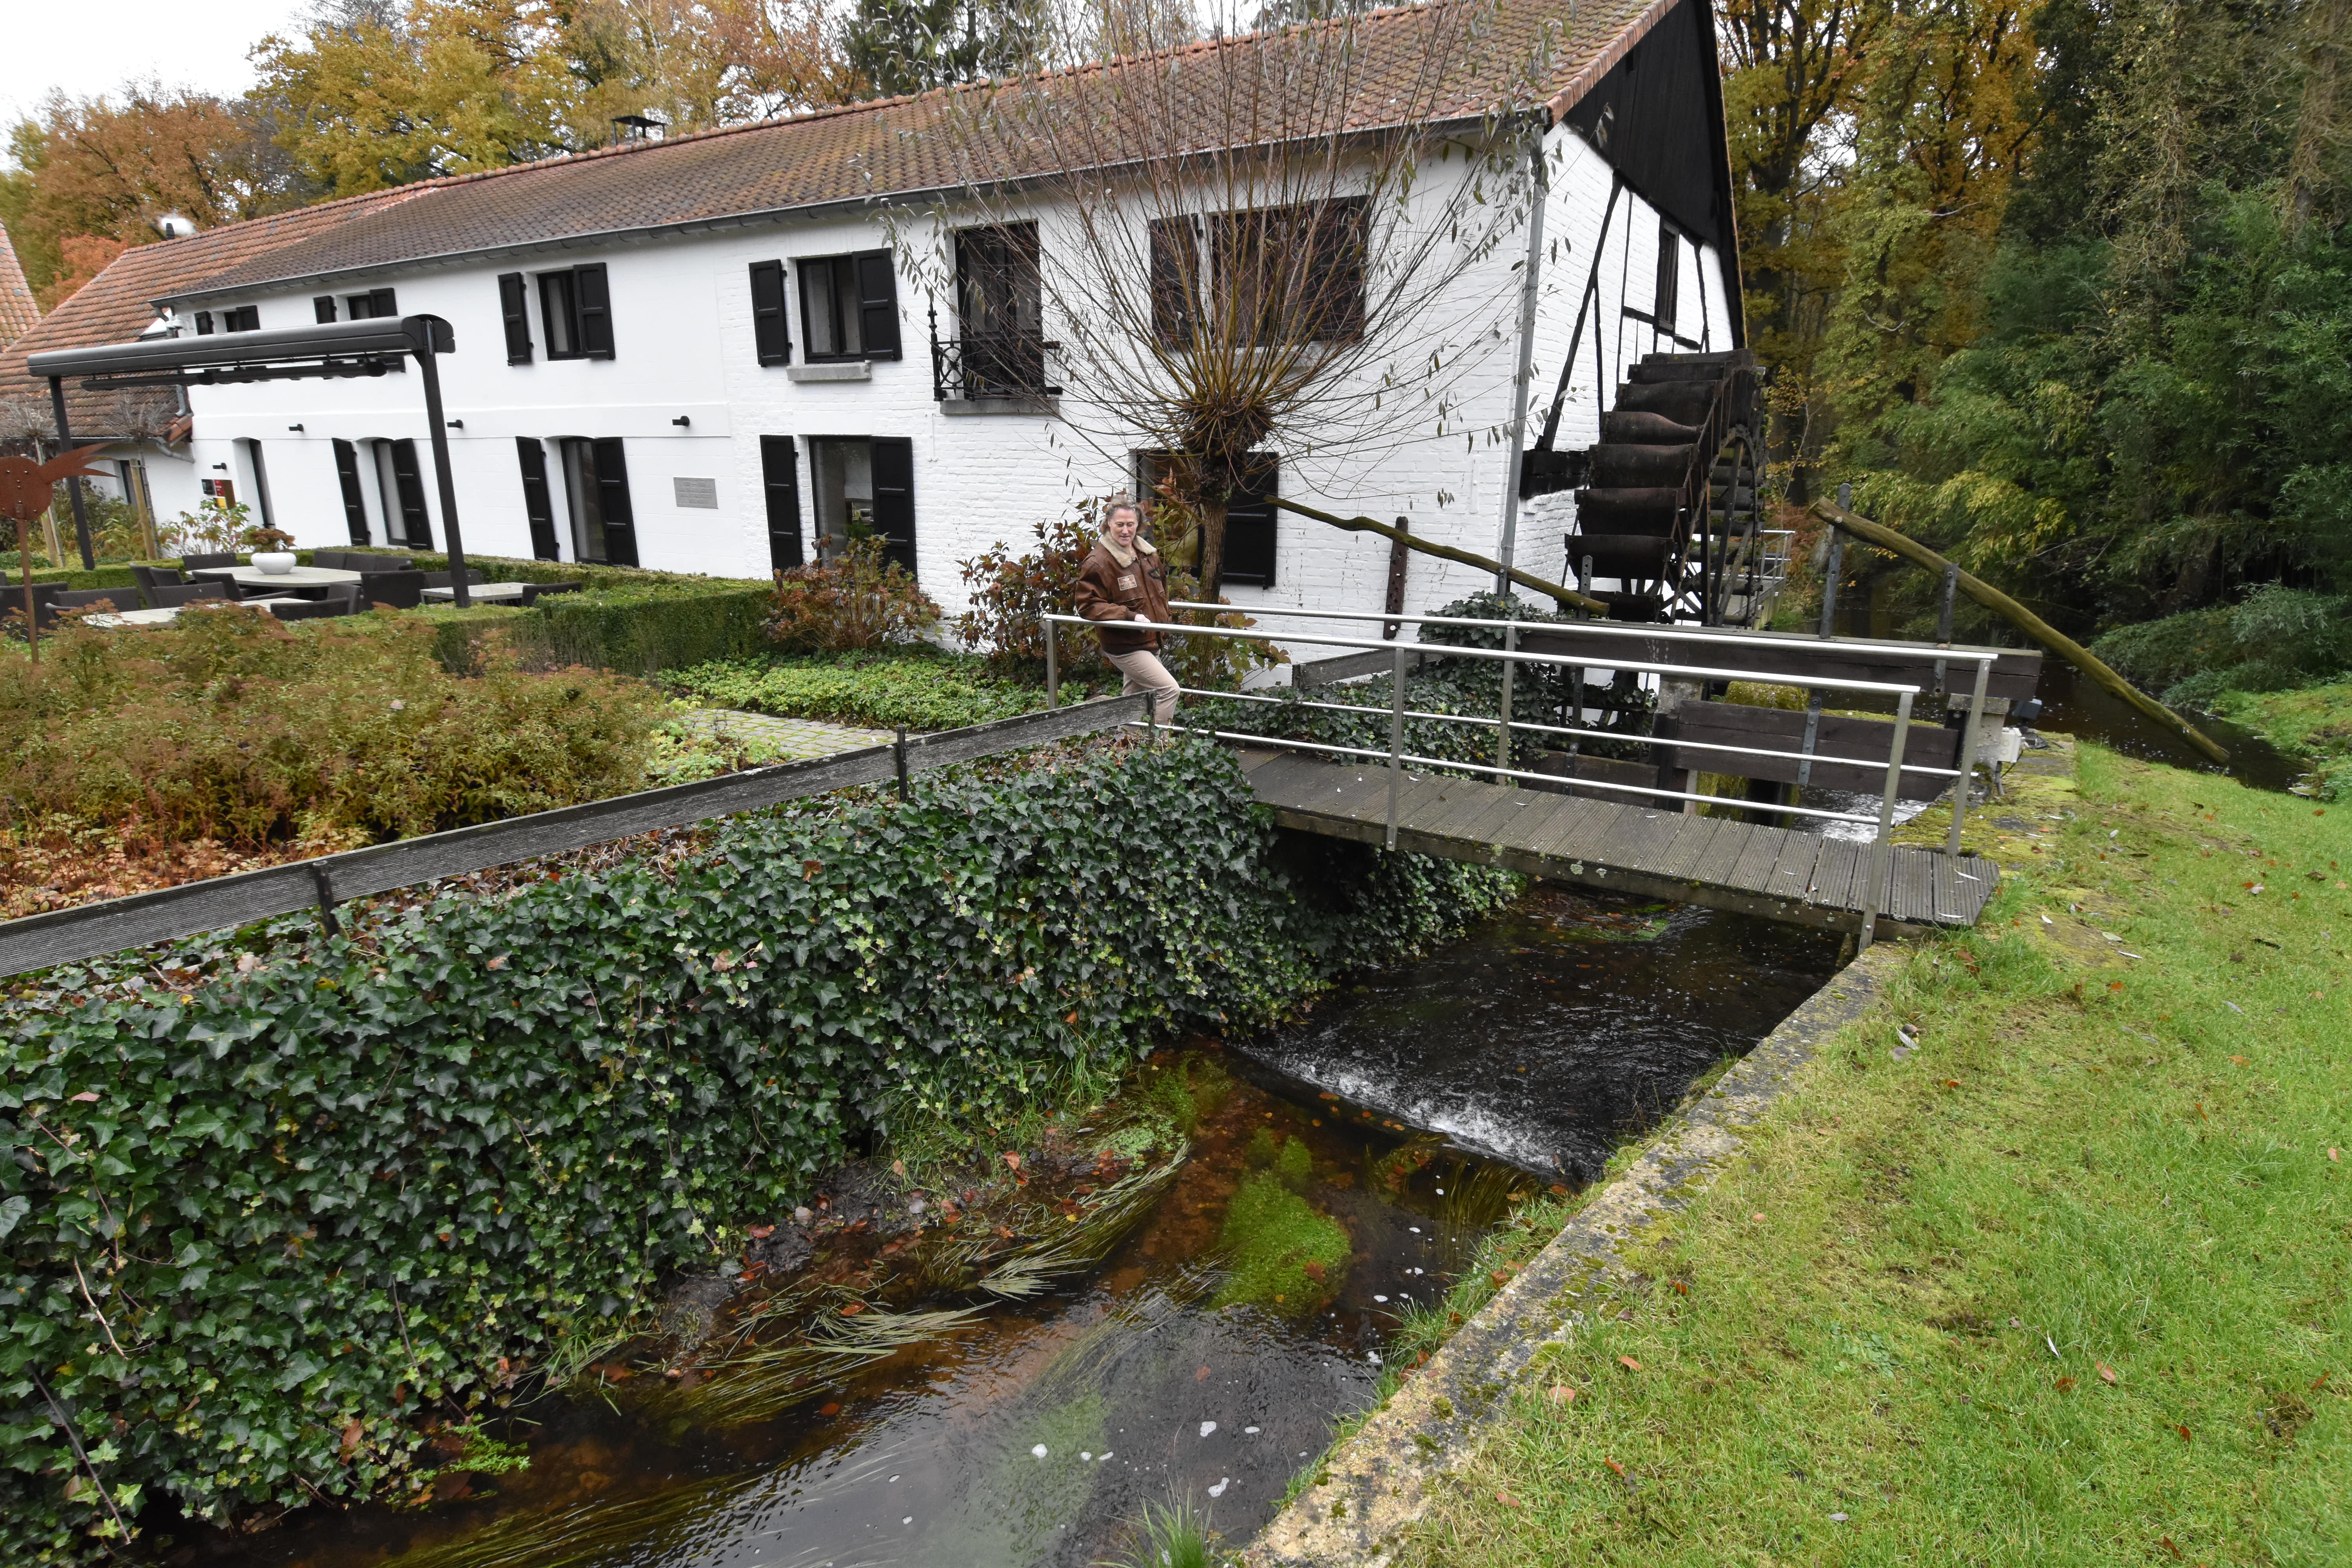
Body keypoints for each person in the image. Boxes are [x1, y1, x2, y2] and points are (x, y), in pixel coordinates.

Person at [1073, 498, 1181, 725]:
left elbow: (1160, 590)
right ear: (1108, 524)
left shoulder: (1147, 554)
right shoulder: (1099, 562)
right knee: (1169, 690)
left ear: (1138, 525)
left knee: (1132, 700)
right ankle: (1160, 751)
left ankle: (1126, 747)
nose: (1125, 530)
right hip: (1126, 645)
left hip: (1150, 638)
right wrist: (1130, 617)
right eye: (1120, 524)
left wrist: (1164, 619)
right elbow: (1088, 605)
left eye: (1130, 524)